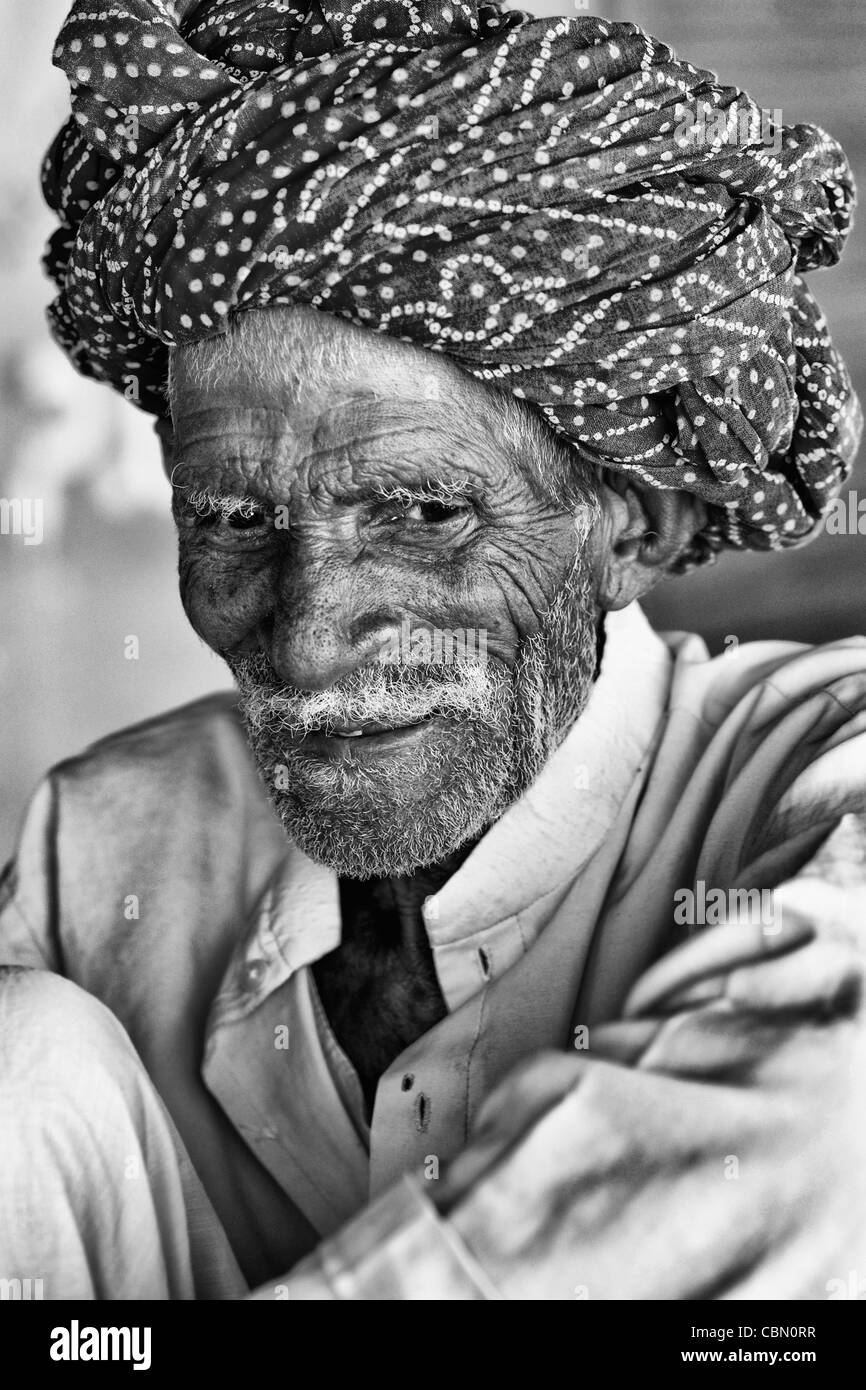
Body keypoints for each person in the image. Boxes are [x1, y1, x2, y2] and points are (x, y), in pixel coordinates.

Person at [0, 0, 864, 1300]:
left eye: (419, 512)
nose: (305, 627)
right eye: (231, 518)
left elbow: (815, 1122)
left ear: (630, 523)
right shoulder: (105, 840)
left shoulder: (825, 767)